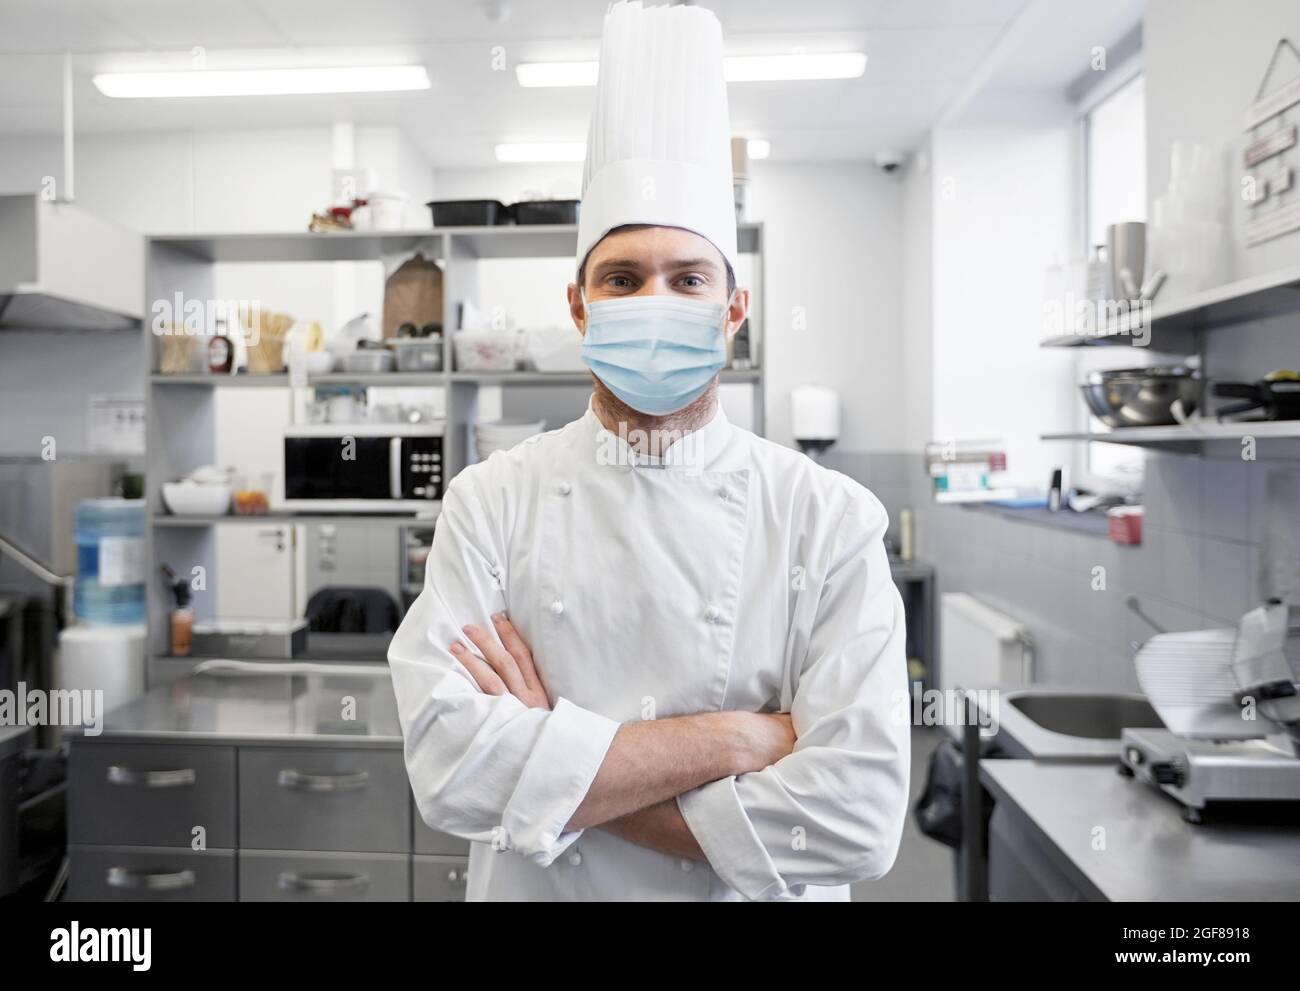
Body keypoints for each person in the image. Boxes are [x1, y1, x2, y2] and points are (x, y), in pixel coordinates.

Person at [388, 0, 909, 902]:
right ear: (581, 307)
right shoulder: (491, 501)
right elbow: (446, 770)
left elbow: (858, 820)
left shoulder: (825, 518)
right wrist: (731, 740)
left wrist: (550, 752)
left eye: (689, 278)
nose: (655, 301)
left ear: (732, 311)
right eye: (623, 279)